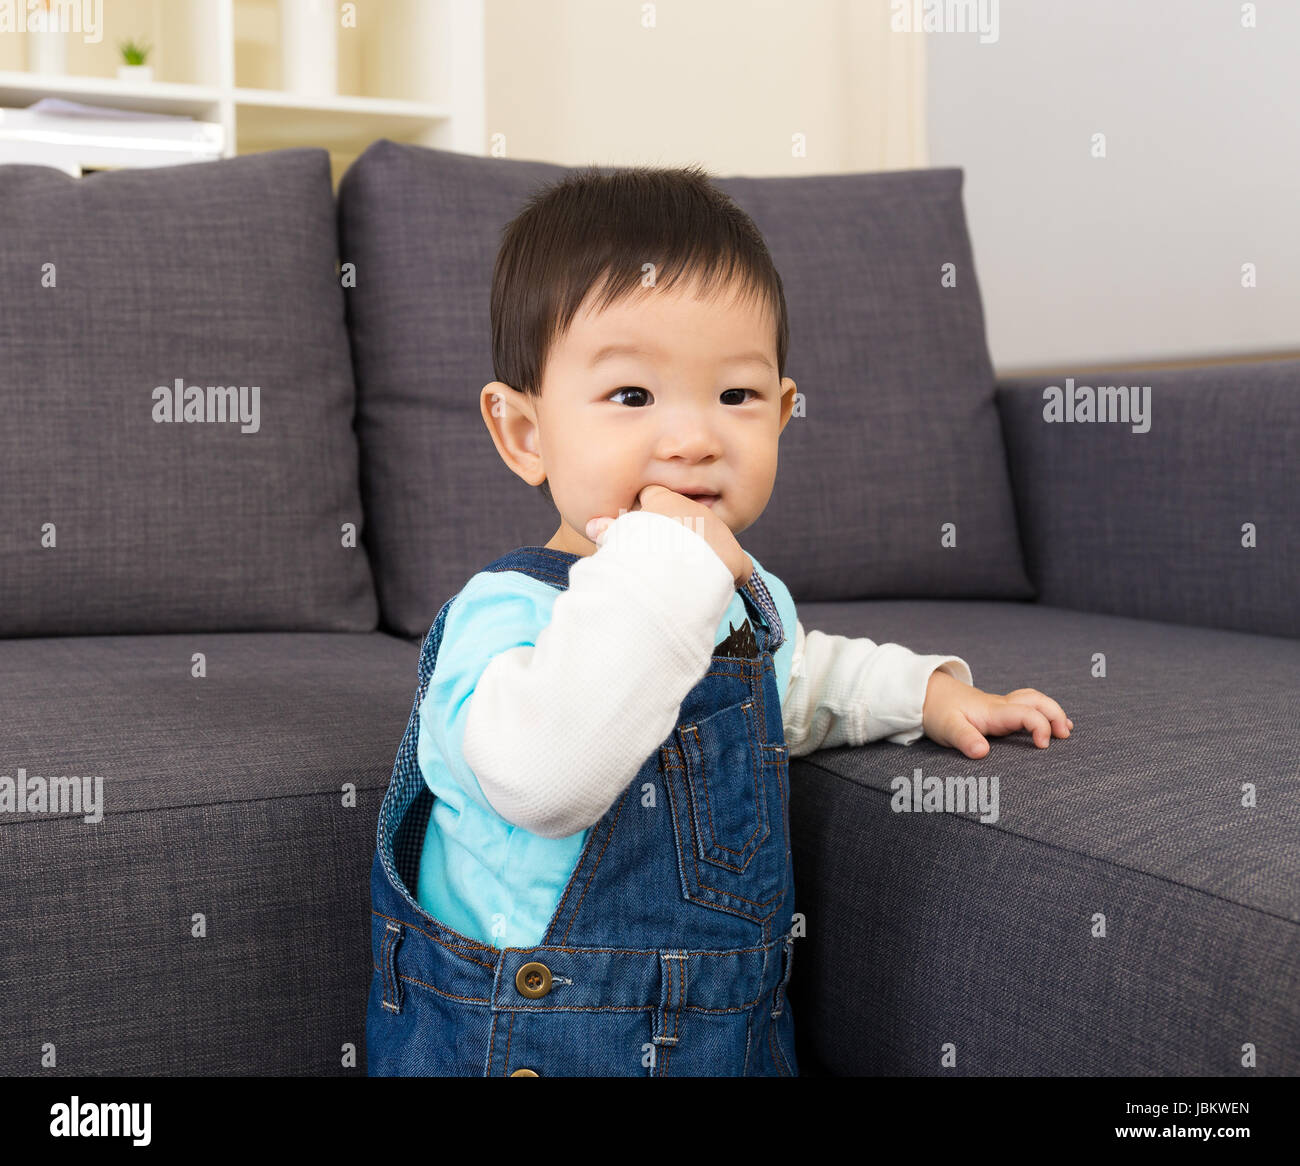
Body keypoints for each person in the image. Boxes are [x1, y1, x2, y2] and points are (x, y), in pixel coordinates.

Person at [365, 163, 1072, 1077]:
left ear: (781, 412)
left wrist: (926, 694)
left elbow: (800, 685)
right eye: (632, 396)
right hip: (532, 1047)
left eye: (736, 397)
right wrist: (664, 563)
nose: (695, 436)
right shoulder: (504, 614)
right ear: (525, 436)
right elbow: (546, 778)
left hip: (727, 1040)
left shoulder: (743, 599)